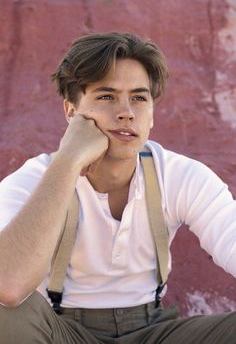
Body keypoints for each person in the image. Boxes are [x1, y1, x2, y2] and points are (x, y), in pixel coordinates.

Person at [0, 32, 235, 344]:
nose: (126, 112)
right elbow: (9, 285)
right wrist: (68, 161)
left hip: (155, 333)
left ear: (151, 114)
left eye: (139, 98)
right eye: (106, 96)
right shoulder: (34, 179)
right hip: (61, 333)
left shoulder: (180, 176)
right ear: (72, 112)